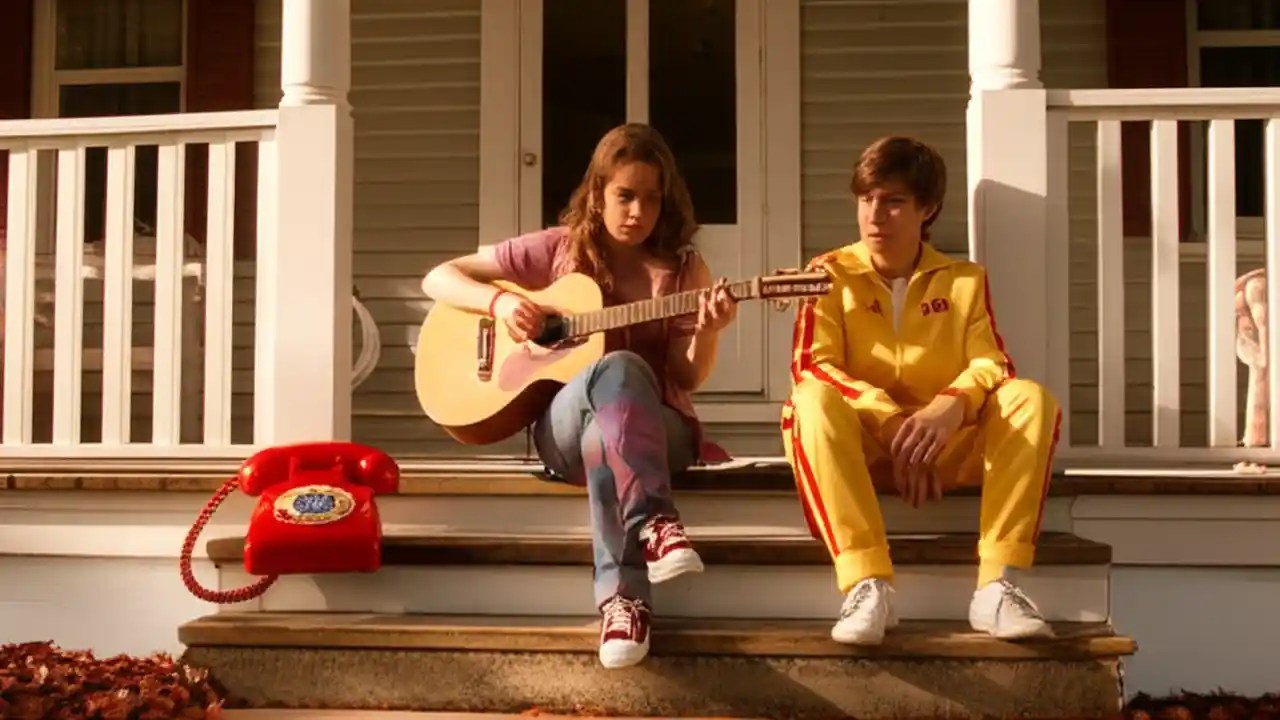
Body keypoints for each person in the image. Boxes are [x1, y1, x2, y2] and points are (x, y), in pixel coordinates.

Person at [421, 123, 739, 669]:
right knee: (604, 392)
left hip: (662, 433)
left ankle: (624, 603)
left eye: (651, 198)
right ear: (598, 193)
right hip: (559, 430)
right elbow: (438, 278)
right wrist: (499, 306)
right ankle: (657, 522)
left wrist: (710, 329)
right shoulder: (559, 250)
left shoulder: (685, 270)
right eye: (625, 195)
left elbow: (686, 380)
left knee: (607, 427)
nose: (638, 211)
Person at [781, 136, 1062, 646]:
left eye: (893, 201)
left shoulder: (963, 281)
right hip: (863, 451)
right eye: (866, 199)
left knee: (1030, 398)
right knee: (808, 400)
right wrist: (891, 423)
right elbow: (814, 366)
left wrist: (948, 408)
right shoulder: (826, 275)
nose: (875, 216)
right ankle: (867, 583)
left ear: (927, 208)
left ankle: (997, 586)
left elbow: (990, 362)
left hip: (943, 450)